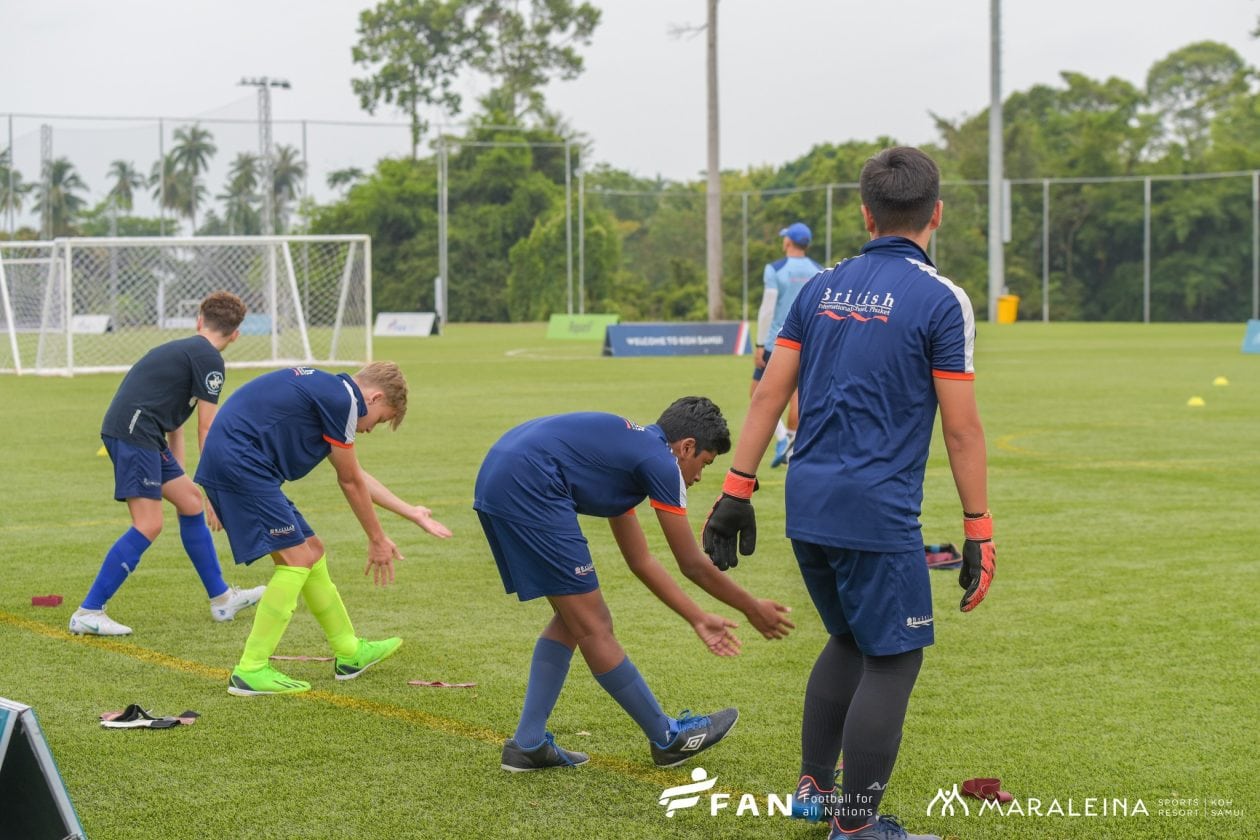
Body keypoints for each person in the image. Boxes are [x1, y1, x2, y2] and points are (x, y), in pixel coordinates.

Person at [703, 147, 995, 840]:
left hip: (807, 502)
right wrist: (978, 529)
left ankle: (814, 790)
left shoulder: (821, 287)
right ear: (937, 214)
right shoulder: (942, 298)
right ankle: (857, 826)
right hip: (876, 512)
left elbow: (769, 394)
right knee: (894, 657)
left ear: (866, 215)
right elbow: (961, 429)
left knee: (847, 638)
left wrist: (736, 491)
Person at [474, 397, 795, 772]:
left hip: (502, 473)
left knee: (575, 619)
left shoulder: (629, 454)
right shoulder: (659, 461)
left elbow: (640, 560)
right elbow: (692, 563)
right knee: (595, 625)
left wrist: (697, 617)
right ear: (686, 447)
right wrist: (751, 607)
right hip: (527, 484)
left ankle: (528, 744)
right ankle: (667, 738)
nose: (697, 477)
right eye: (704, 464)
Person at [194, 361, 453, 696]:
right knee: (297, 560)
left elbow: (355, 474)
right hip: (241, 466)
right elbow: (349, 481)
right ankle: (251, 669)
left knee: (312, 551)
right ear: (374, 398)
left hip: (241, 464)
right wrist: (377, 538)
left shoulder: (332, 392)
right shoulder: (341, 400)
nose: (369, 430)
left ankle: (349, 651)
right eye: (380, 420)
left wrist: (411, 513)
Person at [70, 291, 262, 636]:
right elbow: (208, 429)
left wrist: (185, 478)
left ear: (199, 321)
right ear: (236, 334)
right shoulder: (210, 360)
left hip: (140, 432)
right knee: (149, 524)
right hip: (134, 433)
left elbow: (176, 424)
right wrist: (217, 491)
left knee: (189, 501)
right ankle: (89, 611)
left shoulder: (186, 352)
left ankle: (222, 599)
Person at [752, 221, 823, 468]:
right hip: (808, 341)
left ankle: (783, 439)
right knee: (797, 396)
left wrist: (759, 343)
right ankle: (792, 449)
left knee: (757, 393)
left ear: (789, 242)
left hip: (778, 341)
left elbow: (767, 309)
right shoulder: (819, 270)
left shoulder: (775, 269)